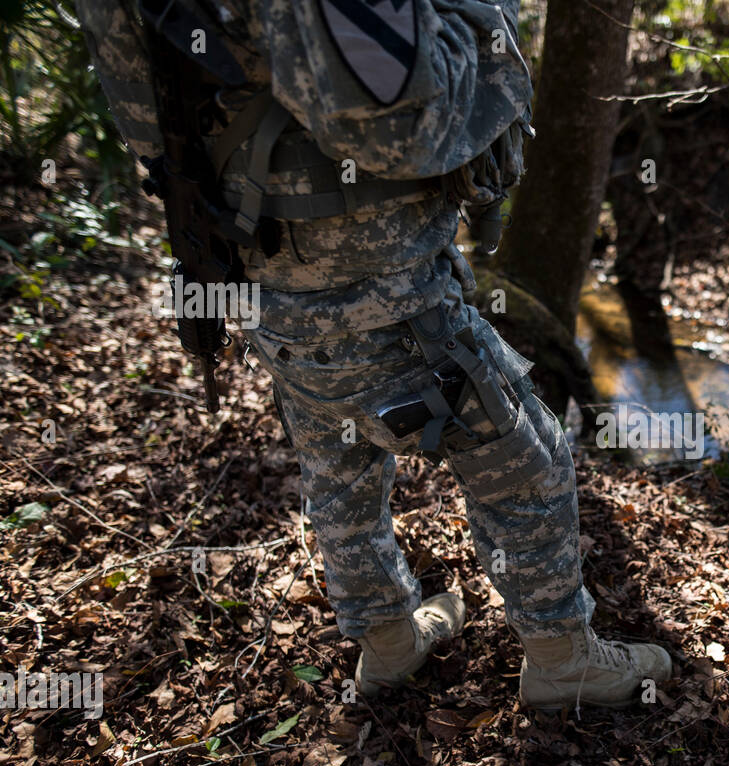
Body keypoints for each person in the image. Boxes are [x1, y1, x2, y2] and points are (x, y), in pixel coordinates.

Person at [74, 0, 671, 710]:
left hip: (264, 288)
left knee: (338, 466)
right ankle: (562, 658)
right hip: (386, 298)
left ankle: (388, 646)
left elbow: (142, 116)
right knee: (529, 464)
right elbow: (404, 124)